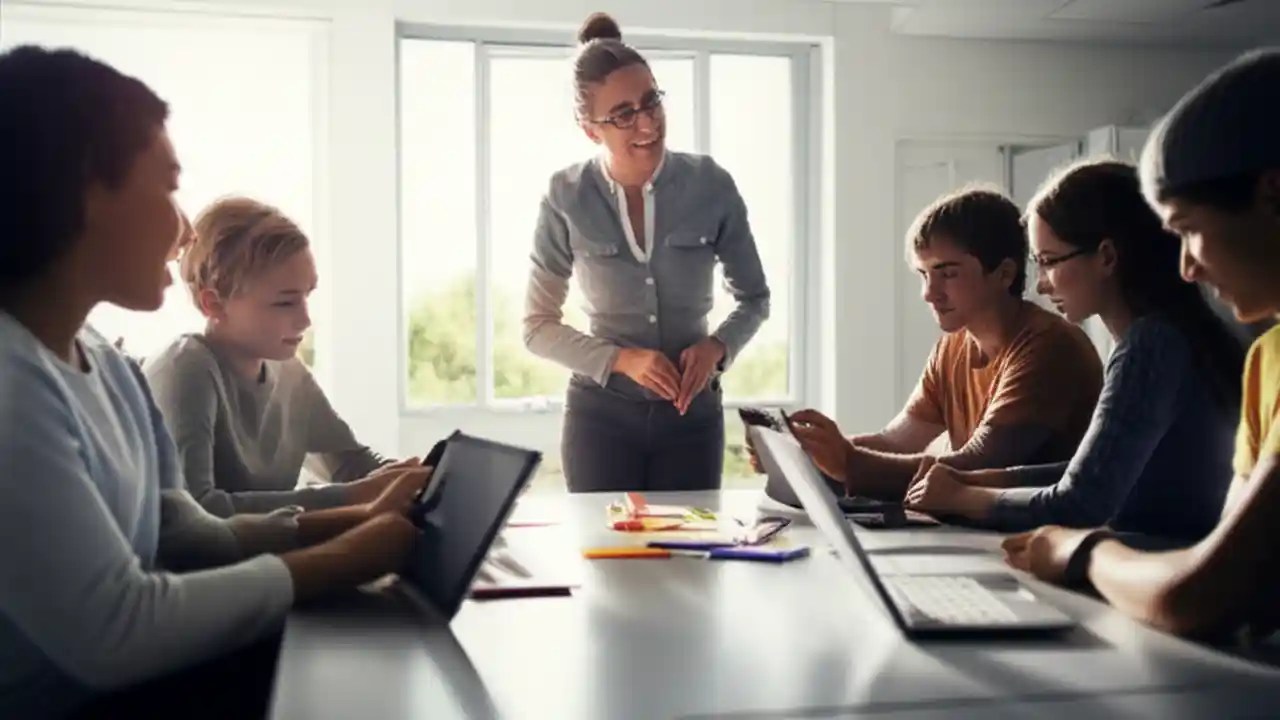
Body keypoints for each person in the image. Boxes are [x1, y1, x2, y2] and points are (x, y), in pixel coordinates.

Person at [0, 46, 425, 717]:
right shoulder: (11, 387)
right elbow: (118, 629)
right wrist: (345, 555)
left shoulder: (108, 366)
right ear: (85, 193)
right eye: (168, 188)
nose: (184, 230)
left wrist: (366, 518)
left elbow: (186, 536)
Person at [1003, 49, 1280, 639]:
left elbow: (1199, 594)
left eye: (1188, 229)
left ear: (1272, 195)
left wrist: (1084, 552)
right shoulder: (1267, 359)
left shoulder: (1158, 340)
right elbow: (1238, 578)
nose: (1186, 268)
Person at [905, 159, 1244, 542]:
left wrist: (967, 498)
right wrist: (986, 481)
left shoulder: (1150, 346)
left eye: (1048, 262)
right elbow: (1091, 471)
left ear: (1107, 257)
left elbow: (1080, 503)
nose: (1043, 286)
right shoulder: (1162, 336)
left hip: (1158, 570)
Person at [524, 13, 770, 492]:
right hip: (599, 421)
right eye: (623, 114)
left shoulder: (712, 186)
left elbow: (755, 298)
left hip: (692, 420)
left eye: (651, 100)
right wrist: (622, 360)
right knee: (606, 562)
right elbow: (537, 328)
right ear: (590, 128)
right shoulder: (565, 197)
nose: (648, 122)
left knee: (690, 562)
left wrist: (718, 347)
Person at [782, 187, 1103, 501]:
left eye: (947, 273)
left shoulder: (1048, 346)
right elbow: (894, 442)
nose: (928, 293)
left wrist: (848, 462)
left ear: (1004, 274)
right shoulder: (950, 348)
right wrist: (803, 451)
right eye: (923, 275)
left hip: (1040, 540)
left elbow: (977, 464)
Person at [145, 196, 404, 517]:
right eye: (285, 303)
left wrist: (418, 476)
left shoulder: (289, 372)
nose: (305, 320)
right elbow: (197, 510)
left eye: (307, 296)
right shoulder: (186, 368)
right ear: (213, 304)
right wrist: (354, 495)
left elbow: (351, 465)